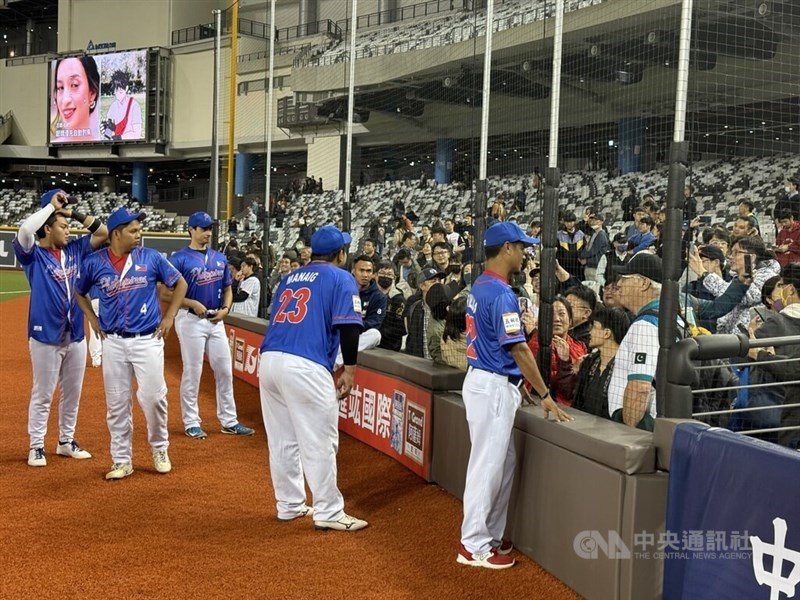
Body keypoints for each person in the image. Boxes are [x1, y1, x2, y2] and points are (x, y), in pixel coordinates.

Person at [458, 222, 570, 570]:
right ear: (506, 248)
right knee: (487, 467)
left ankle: (489, 535)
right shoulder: (502, 293)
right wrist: (545, 392)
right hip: (491, 385)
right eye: (521, 246)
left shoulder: (482, 284)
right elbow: (519, 349)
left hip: (488, 379)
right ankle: (472, 545)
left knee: (502, 463)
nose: (525, 252)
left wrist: (518, 384)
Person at [259, 225, 368, 531]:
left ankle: (290, 504)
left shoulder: (289, 277)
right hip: (305, 365)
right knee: (320, 440)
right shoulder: (341, 277)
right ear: (341, 254)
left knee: (282, 439)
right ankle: (329, 511)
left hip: (269, 360)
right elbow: (349, 327)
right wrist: (350, 369)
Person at [74, 207, 188, 480]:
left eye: (139, 229)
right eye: (133, 230)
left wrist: (170, 316)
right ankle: (121, 459)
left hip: (147, 340)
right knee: (116, 404)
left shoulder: (150, 257)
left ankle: (160, 447)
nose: (139, 234)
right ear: (116, 234)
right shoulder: (94, 262)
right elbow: (79, 292)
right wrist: (91, 316)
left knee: (153, 398)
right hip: (113, 341)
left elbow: (180, 283)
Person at [14, 189, 108, 467]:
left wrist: (73, 213)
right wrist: (51, 208)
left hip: (75, 334)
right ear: (47, 227)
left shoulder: (74, 249)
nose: (69, 230)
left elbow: (102, 233)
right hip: (45, 335)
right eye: (63, 226)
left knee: (73, 393)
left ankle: (66, 441)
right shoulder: (33, 255)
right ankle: (36, 445)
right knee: (43, 393)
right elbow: (24, 229)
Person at [167, 212, 255, 440]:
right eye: (203, 228)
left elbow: (227, 288)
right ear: (191, 230)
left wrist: (226, 309)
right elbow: (166, 292)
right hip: (190, 319)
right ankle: (191, 421)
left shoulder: (219, 257)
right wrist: (192, 303)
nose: (208, 232)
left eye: (210, 228)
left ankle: (229, 420)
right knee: (193, 371)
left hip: (216, 319)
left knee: (225, 371)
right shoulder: (179, 258)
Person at [572, 306, 631, 419]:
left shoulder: (626, 366)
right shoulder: (589, 363)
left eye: (594, 327)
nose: (590, 332)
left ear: (606, 333)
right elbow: (577, 403)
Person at [333, 255, 386, 368]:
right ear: (353, 271)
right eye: (361, 270)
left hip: (360, 334)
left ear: (373, 274)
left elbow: (375, 322)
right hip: (339, 332)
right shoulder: (343, 290)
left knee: (375, 335)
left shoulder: (379, 297)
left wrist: (354, 326)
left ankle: (337, 363)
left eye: (369, 271)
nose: (365, 275)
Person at [50, 56, 100, 143]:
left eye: (74, 85)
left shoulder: (103, 141)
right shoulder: (54, 143)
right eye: (60, 88)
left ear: (92, 94)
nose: (65, 100)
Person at [102, 70, 143, 140]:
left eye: (120, 92)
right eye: (116, 91)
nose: (118, 94)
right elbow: (109, 136)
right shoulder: (113, 107)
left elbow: (137, 134)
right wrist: (105, 130)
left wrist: (119, 137)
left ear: (126, 88)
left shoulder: (134, 106)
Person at [375, 261, 407, 352]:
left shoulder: (399, 299)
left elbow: (402, 328)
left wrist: (379, 332)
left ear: (394, 278)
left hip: (390, 348)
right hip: (369, 344)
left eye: (389, 274)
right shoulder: (370, 295)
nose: (385, 276)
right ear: (375, 275)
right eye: (382, 273)